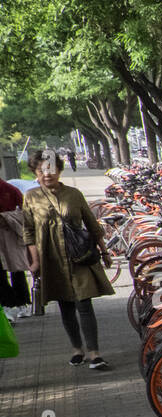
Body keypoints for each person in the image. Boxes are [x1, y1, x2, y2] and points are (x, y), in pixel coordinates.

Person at [22, 149, 114, 369]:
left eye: (51, 170)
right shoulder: (31, 197)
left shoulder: (74, 194)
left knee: (84, 303)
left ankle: (94, 353)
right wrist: (34, 262)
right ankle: (76, 349)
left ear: (59, 170)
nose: (47, 175)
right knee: (65, 305)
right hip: (51, 259)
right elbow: (28, 232)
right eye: (41, 170)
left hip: (78, 258)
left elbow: (92, 224)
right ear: (35, 172)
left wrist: (104, 251)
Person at [0, 177, 32, 321]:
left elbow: (25, 212)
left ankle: (21, 303)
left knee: (17, 269)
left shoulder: (9, 189)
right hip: (8, 235)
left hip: (10, 234)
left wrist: (7, 217)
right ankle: (9, 303)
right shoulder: (10, 188)